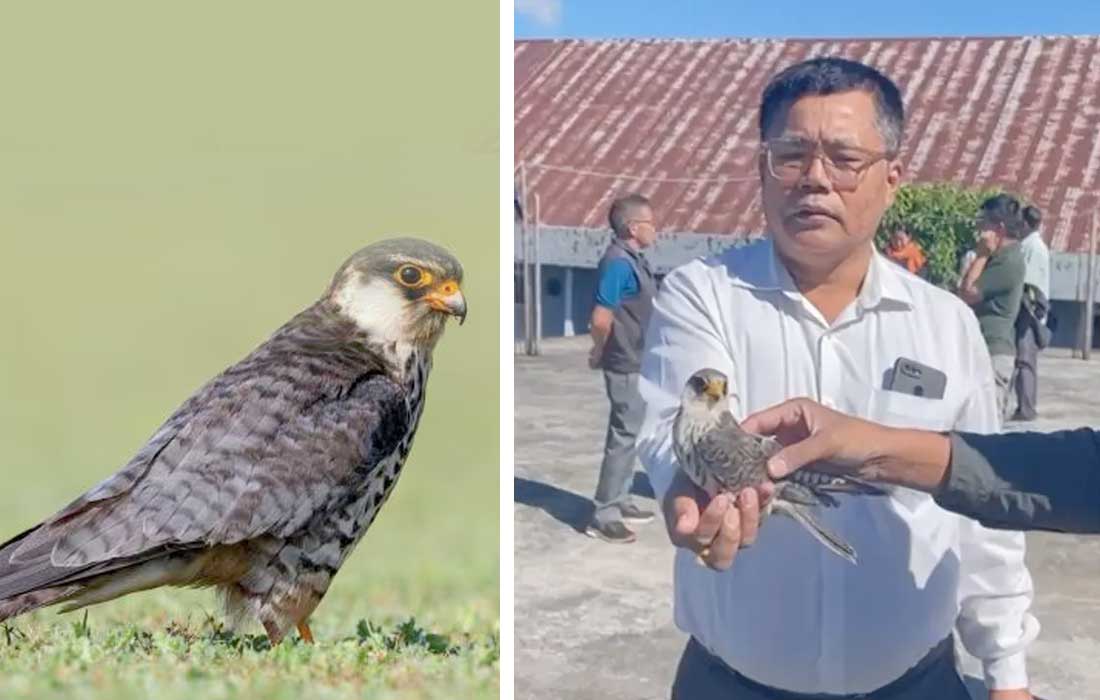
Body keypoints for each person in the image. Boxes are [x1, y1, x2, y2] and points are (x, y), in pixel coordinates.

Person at [636, 57, 1036, 700]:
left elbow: (983, 502)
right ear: (763, 170)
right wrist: (685, 488)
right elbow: (672, 426)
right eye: (791, 155)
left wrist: (1007, 670)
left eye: (844, 158)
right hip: (731, 683)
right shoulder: (702, 294)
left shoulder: (945, 324)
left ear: (891, 178)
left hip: (917, 682)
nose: (814, 179)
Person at [737, 397, 1100, 535]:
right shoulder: (699, 291)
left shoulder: (947, 317)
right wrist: (880, 454)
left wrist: (1007, 669)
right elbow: (1074, 472)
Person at [585, 193, 659, 544]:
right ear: (633, 227)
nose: (655, 230)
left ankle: (622, 498)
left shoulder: (634, 260)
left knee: (633, 434)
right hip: (624, 361)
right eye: (650, 224)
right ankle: (604, 514)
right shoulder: (617, 263)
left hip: (638, 359)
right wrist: (599, 351)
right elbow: (601, 317)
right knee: (622, 436)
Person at [957, 195, 1028, 420]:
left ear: (999, 228)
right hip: (982, 347)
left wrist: (981, 254)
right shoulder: (1001, 258)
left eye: (985, 222)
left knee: (987, 425)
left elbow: (967, 293)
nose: (980, 228)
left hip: (994, 351)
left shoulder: (1009, 262)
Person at [1012, 206, 1052, 421]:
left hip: (1029, 311)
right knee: (1024, 361)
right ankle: (1024, 406)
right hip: (1030, 309)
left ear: (1026, 223)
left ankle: (1026, 408)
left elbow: (1030, 286)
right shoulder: (1034, 245)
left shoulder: (1032, 247)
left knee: (1025, 360)